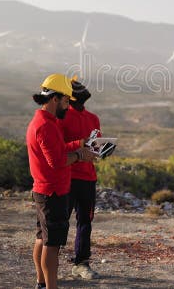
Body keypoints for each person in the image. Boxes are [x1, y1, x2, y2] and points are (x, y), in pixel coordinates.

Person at [26, 74, 96, 289]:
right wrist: (80, 156)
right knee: (52, 245)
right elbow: (57, 161)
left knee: (42, 238)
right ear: (55, 98)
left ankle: (41, 283)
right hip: (52, 192)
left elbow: (58, 149)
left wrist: (79, 144)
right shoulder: (46, 126)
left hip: (44, 190)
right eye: (66, 101)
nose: (68, 106)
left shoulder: (45, 122)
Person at [60, 79, 102, 279]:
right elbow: (57, 147)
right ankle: (50, 265)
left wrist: (102, 150)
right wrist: (79, 146)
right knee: (60, 222)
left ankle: (81, 263)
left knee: (85, 221)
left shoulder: (93, 118)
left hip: (88, 177)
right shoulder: (62, 117)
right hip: (67, 176)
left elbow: (95, 147)